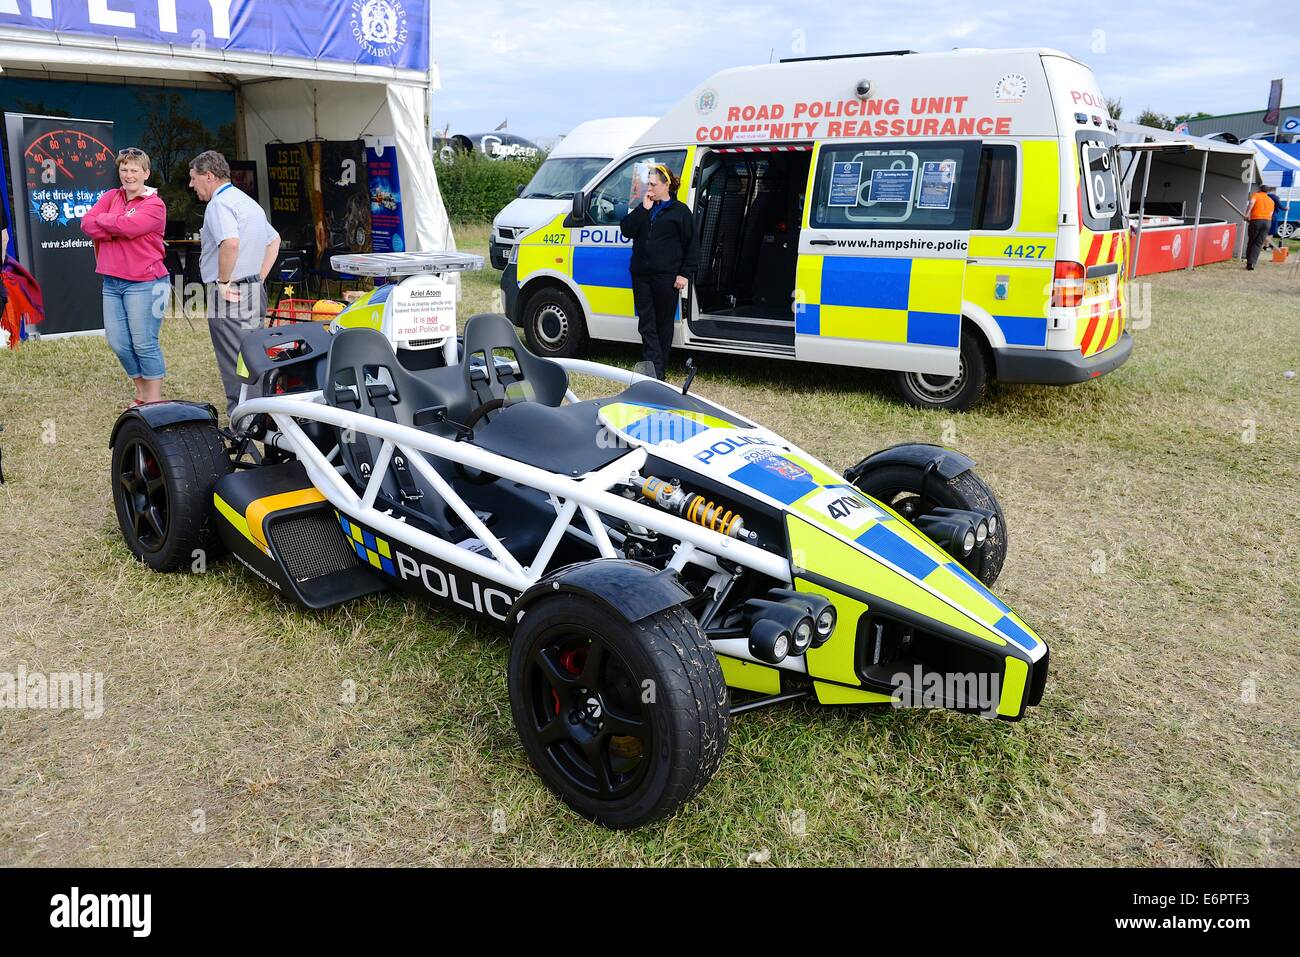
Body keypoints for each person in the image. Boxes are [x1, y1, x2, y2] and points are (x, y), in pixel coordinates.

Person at [188, 149, 281, 418]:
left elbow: (230, 242)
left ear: (209, 175)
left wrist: (223, 282)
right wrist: (259, 277)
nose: (191, 185)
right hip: (253, 288)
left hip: (233, 294)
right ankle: (265, 414)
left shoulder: (218, 204)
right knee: (255, 356)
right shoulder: (247, 202)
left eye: (194, 178)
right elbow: (273, 240)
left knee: (235, 361)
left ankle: (243, 421)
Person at [80, 147, 170, 405]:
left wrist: (107, 223)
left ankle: (153, 400)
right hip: (112, 281)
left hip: (145, 282)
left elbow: (132, 227)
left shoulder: (154, 204)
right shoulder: (111, 196)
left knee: (144, 343)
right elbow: (86, 223)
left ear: (146, 173)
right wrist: (115, 226)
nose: (129, 175)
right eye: (124, 169)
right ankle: (141, 390)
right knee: (119, 343)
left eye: (134, 170)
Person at [619, 162, 697, 380]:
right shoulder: (645, 207)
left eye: (653, 184)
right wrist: (642, 210)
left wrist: (684, 274)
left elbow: (692, 245)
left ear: (666, 185)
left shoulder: (680, 212)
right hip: (641, 275)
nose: (649, 188)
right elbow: (626, 229)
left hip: (667, 277)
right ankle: (654, 370)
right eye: (648, 184)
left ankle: (657, 370)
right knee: (646, 323)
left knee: (663, 324)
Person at [1243, 183, 1275, 270]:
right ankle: (1252, 263)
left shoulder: (1256, 195)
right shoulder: (1271, 201)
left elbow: (1251, 203)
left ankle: (1249, 262)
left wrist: (1246, 215)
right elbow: (1271, 213)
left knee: (1252, 241)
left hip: (1256, 220)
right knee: (1258, 243)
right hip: (1267, 222)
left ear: (1260, 189)